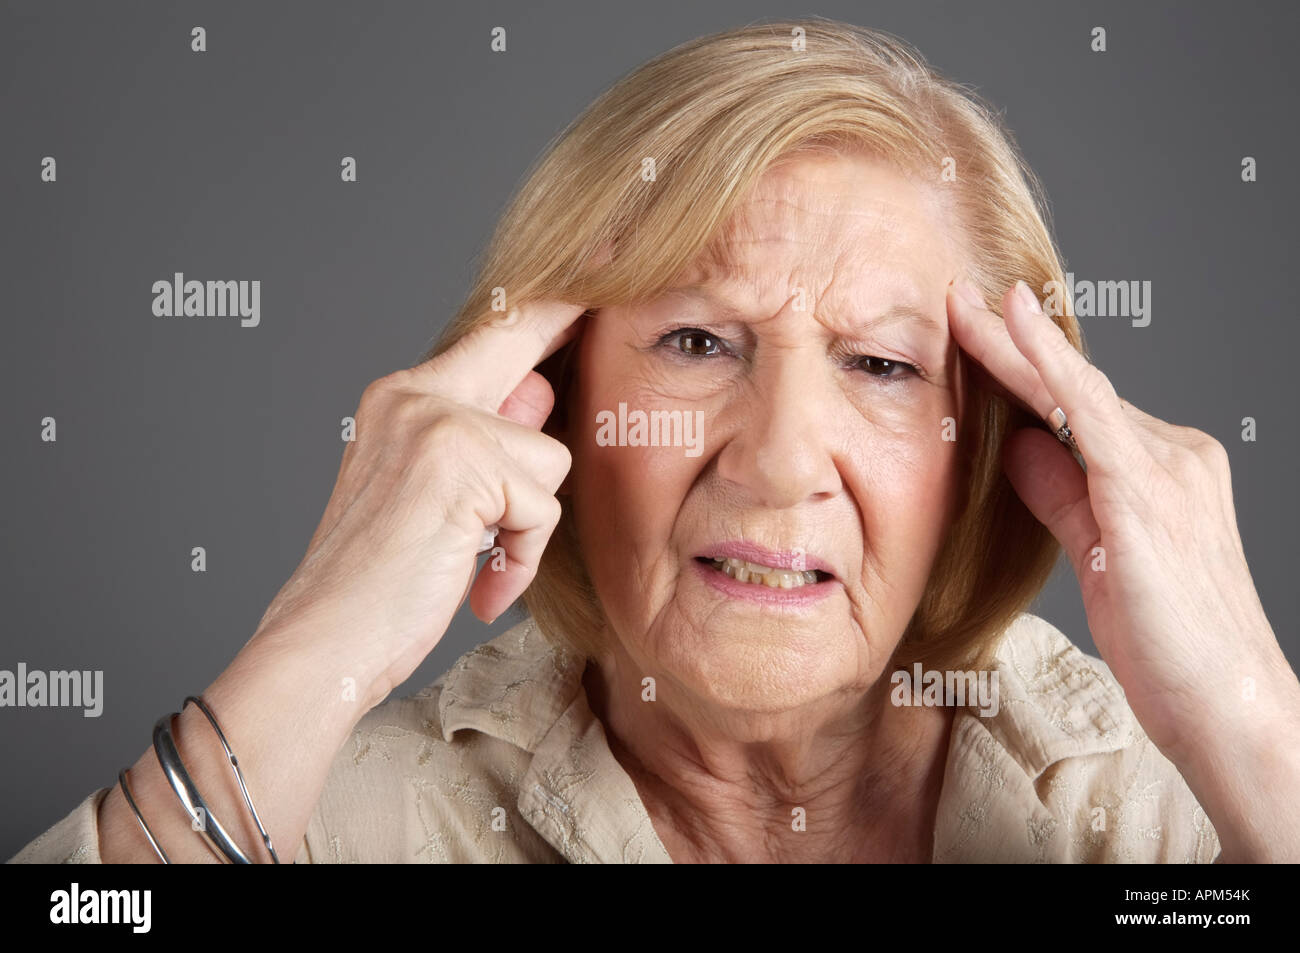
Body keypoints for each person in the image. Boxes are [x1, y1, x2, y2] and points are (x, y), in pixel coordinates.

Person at [11, 18, 1299, 864]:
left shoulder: (1162, 826)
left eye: (881, 365)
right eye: (696, 341)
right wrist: (320, 638)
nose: (779, 462)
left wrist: (1256, 724)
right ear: (550, 397)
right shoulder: (351, 823)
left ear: (982, 456)